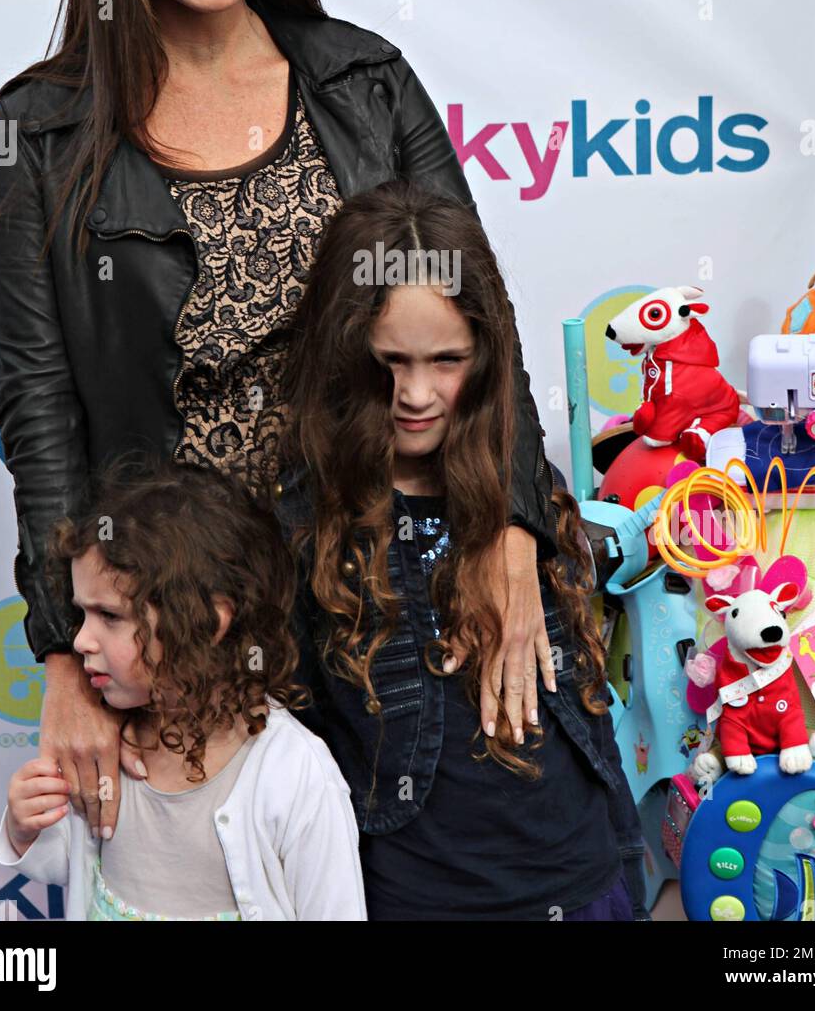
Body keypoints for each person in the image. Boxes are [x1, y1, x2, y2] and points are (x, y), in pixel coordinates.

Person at [0, 0, 560, 843]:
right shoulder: (42, 131)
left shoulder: (362, 82)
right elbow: (40, 411)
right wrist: (64, 650)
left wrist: (513, 526)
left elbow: (483, 329)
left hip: (385, 616)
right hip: (180, 636)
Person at [276, 179, 649, 921]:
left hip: (582, 886)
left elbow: (584, 711)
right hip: (414, 899)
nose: (416, 393)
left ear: (484, 355)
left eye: (446, 360)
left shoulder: (528, 494)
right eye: (390, 362)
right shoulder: (304, 523)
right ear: (345, 352)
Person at [0, 457, 366, 921]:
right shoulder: (107, 746)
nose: (80, 640)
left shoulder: (294, 773)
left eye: (109, 616)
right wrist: (23, 828)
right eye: (81, 614)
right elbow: (64, 864)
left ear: (208, 620)